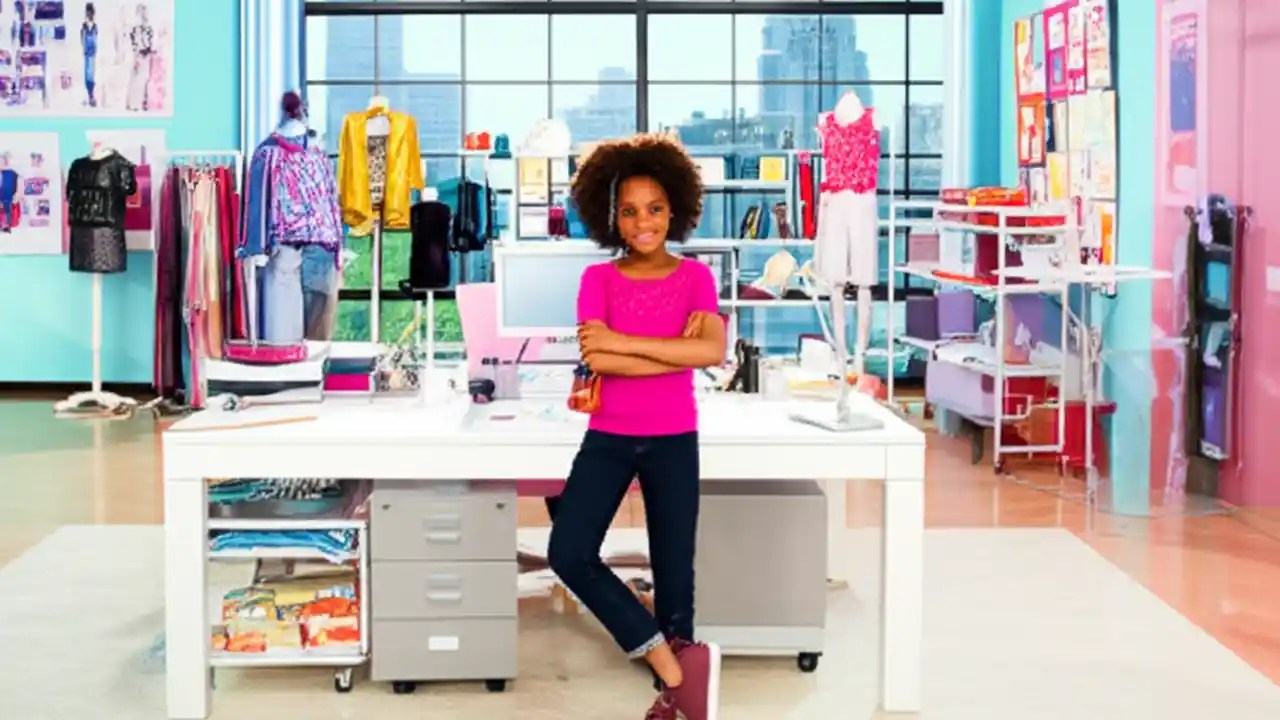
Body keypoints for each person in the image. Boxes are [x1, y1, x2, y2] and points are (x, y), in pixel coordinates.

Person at [547, 133, 726, 720]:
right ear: (612, 216)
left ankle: (678, 699)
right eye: (629, 211)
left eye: (654, 208)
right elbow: (599, 361)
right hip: (609, 437)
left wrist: (624, 342)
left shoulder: (695, 277)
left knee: (675, 574)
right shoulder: (597, 280)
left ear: (674, 208)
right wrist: (674, 346)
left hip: (675, 438)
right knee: (569, 553)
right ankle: (673, 667)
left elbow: (711, 353)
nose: (643, 221)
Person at [81, 3, 99, 107]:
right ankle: (89, 95)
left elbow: (96, 38)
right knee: (87, 73)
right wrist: (84, 50)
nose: (90, 14)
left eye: (91, 12)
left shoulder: (95, 26)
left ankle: (91, 95)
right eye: (88, 12)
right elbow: (82, 39)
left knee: (91, 74)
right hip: (86, 52)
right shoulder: (84, 26)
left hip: (93, 52)